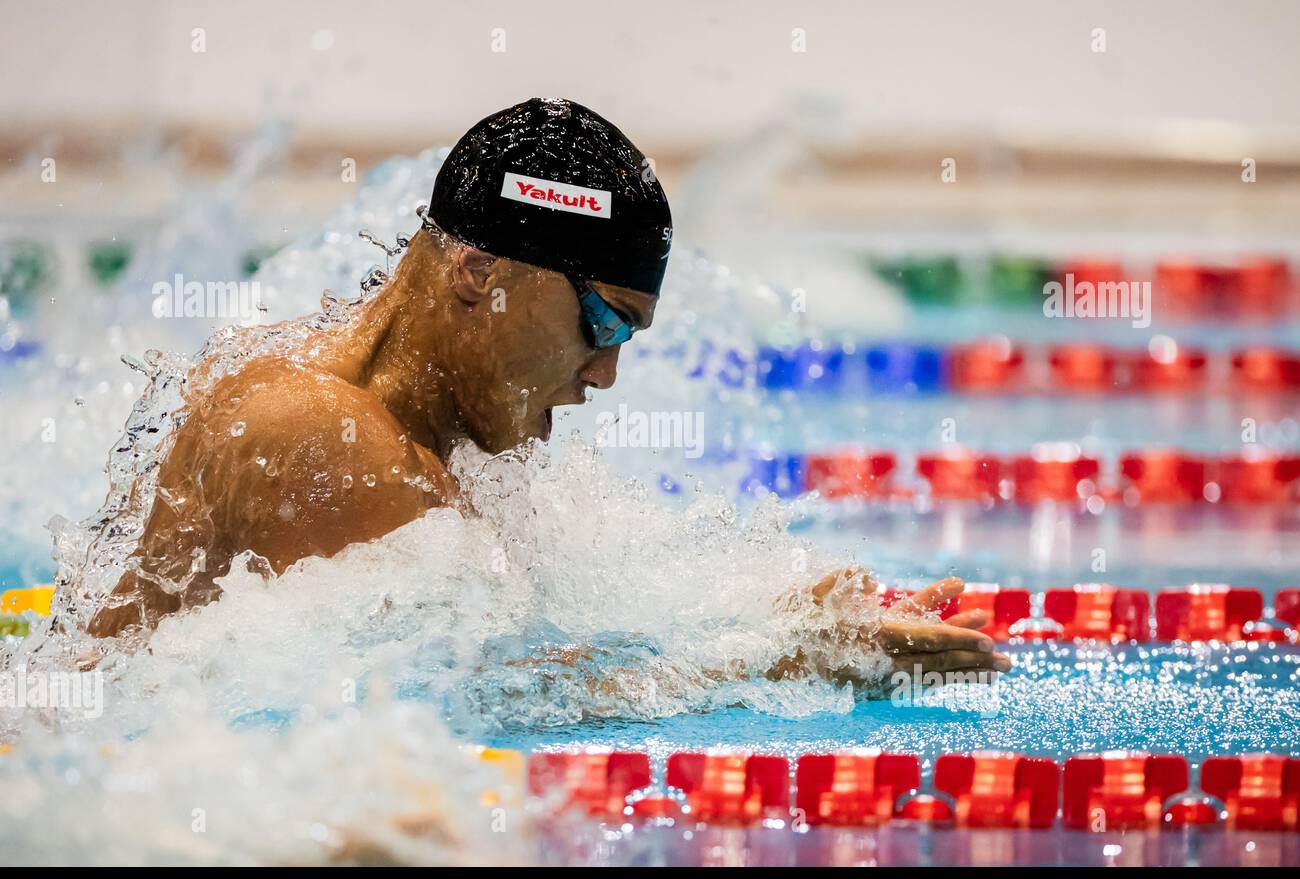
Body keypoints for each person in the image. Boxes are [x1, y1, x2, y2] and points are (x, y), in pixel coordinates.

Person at [88, 97, 1010, 682]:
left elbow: (513, 646)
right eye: (603, 322)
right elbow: (480, 694)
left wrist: (779, 613)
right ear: (478, 269)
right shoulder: (315, 429)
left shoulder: (432, 432)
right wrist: (788, 659)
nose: (605, 372)